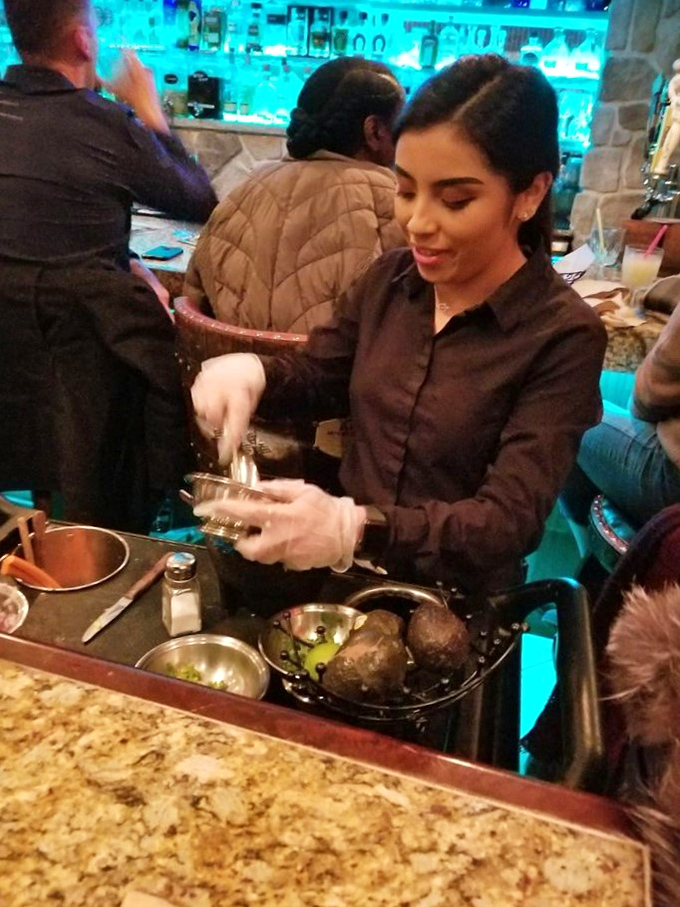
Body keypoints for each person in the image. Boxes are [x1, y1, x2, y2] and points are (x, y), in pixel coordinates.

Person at [191, 55, 608, 593]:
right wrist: (255, 373)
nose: (418, 222)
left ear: (528, 193)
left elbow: (506, 522)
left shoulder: (562, 336)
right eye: (406, 190)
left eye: (455, 200)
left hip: (459, 610)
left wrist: (355, 528)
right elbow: (323, 376)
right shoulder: (392, 279)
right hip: (344, 590)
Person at [0, 0, 217, 531]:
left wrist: (125, 260)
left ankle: (49, 529)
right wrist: (149, 111)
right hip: (83, 362)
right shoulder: (107, 122)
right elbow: (199, 200)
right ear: (83, 42)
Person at [184, 57, 405, 334]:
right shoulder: (397, 204)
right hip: (334, 376)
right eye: (402, 123)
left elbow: (193, 301)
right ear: (374, 131)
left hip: (230, 373)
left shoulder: (241, 194)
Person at [560, 275, 680, 541]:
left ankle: (599, 566)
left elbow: (649, 396)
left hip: (673, 487)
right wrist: (658, 291)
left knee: (568, 415)